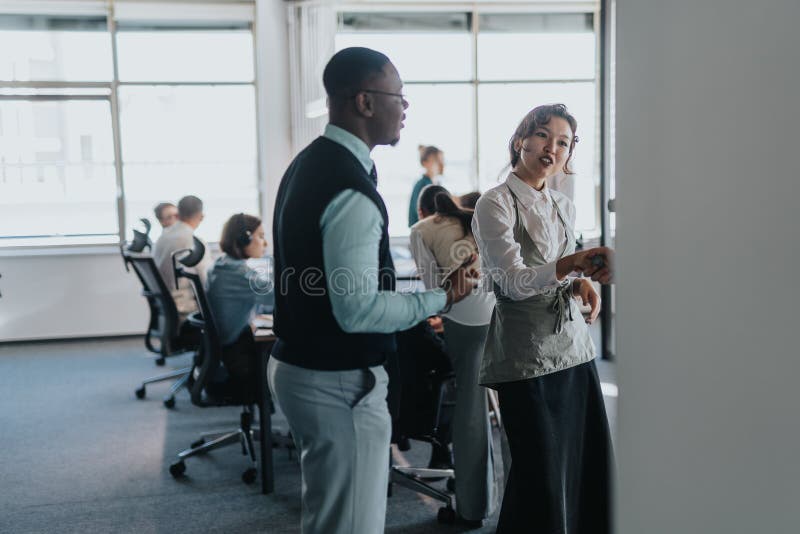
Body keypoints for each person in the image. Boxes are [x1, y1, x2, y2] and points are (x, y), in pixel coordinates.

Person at [267, 47, 474, 534]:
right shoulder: (350, 189)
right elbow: (357, 310)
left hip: (303, 367)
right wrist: (441, 298)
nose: (404, 107)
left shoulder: (310, 163)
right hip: (339, 384)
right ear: (364, 102)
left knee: (330, 516)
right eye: (397, 96)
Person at [472, 103, 613, 533]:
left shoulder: (562, 206)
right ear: (521, 141)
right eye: (543, 136)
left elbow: (557, 270)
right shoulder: (494, 204)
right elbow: (512, 283)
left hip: (575, 350)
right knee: (540, 477)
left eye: (564, 142)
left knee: (584, 466)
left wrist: (579, 282)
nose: (553, 147)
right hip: (526, 357)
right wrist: (570, 266)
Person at [409, 189, 498, 526]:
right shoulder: (472, 217)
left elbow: (438, 294)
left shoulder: (420, 230)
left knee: (470, 413)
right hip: (502, 315)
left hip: (466, 322)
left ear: (421, 210)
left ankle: (471, 510)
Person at [206, 213, 273, 400]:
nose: (265, 243)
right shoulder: (239, 273)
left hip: (227, 348)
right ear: (243, 239)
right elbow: (277, 299)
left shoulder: (222, 264)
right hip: (238, 355)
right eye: (260, 236)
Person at [152, 195, 212, 320]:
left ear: (178, 214)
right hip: (184, 307)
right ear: (201, 216)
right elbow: (206, 281)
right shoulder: (195, 243)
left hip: (165, 304)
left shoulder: (162, 237)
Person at [408, 145, 444, 227]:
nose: (441, 164)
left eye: (442, 161)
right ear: (425, 163)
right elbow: (418, 212)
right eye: (436, 161)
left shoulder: (436, 184)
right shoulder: (422, 185)